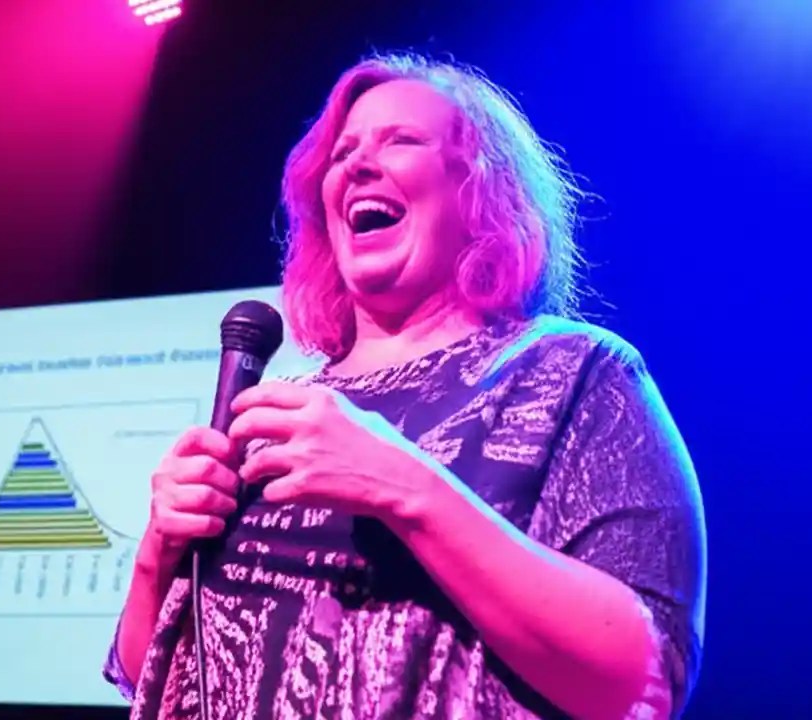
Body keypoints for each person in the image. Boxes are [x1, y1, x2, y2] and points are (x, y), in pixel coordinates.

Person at [103, 52, 706, 720]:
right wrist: (158, 553)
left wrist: (404, 487)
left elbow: (646, 679)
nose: (356, 165)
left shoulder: (571, 373)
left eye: (400, 141)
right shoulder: (278, 418)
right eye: (342, 154)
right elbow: (147, 679)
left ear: (479, 194)